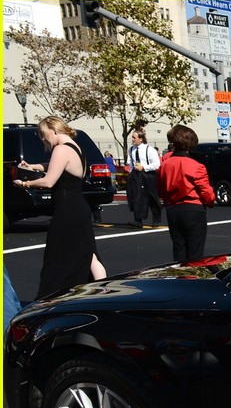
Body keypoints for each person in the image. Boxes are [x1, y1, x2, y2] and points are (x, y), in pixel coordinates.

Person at [12, 116, 107, 297]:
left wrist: (25, 184)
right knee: (88, 255)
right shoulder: (75, 147)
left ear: (53, 130)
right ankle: (103, 291)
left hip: (67, 212)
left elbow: (49, 181)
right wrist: (33, 166)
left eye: (43, 134)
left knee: (56, 258)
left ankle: (50, 297)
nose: (42, 138)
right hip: (79, 209)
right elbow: (52, 166)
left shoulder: (61, 149)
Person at [158, 125, 216, 263]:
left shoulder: (164, 165)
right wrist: (211, 200)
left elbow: (161, 188)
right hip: (193, 209)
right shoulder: (196, 166)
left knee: (179, 251)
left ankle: (181, 279)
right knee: (195, 253)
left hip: (173, 209)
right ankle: (192, 280)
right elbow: (206, 192)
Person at [126, 128, 162, 227]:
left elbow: (156, 164)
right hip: (136, 176)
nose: (132, 139)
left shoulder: (149, 150)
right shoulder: (131, 150)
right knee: (137, 197)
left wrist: (144, 167)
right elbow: (131, 164)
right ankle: (138, 220)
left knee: (152, 197)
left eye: (134, 137)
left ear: (141, 139)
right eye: (132, 137)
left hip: (148, 175)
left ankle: (156, 220)